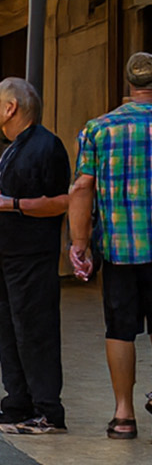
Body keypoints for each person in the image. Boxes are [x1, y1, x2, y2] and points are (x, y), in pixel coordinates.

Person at [0, 77, 71, 435]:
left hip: (32, 255)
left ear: (10, 107)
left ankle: (48, 409)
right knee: (10, 329)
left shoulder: (47, 146)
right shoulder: (10, 147)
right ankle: (18, 402)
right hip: (5, 255)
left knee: (36, 331)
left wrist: (12, 203)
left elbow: (64, 200)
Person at [69, 53, 152, 439]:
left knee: (120, 329)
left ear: (128, 85)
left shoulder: (99, 130)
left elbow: (83, 187)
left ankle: (124, 415)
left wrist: (80, 243)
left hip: (120, 249)